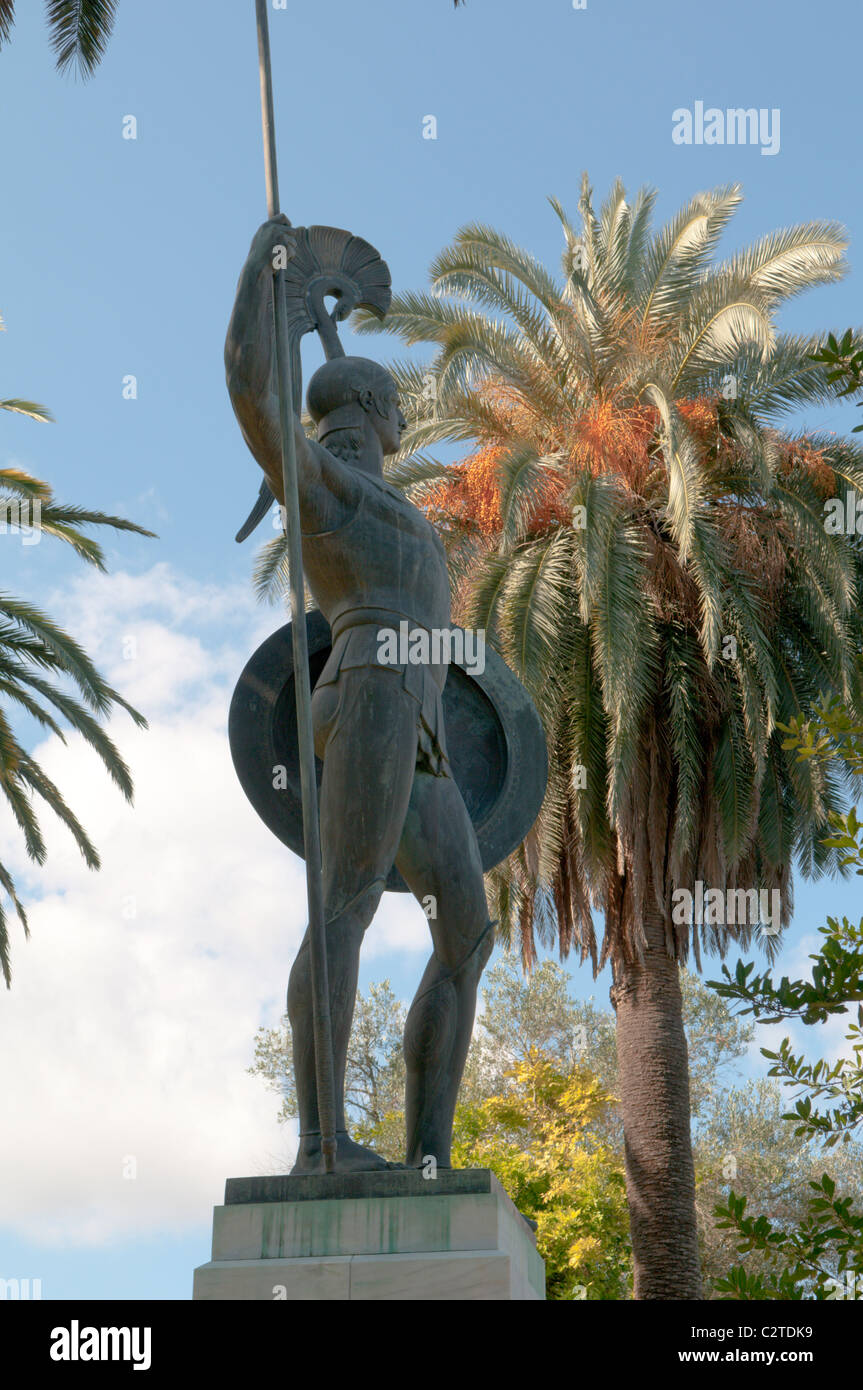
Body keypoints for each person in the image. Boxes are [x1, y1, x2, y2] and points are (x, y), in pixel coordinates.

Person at [225, 216, 493, 1173]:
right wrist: (262, 280)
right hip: (368, 689)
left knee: (466, 934)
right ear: (374, 405)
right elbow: (256, 399)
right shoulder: (330, 487)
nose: (406, 418)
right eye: (398, 403)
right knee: (343, 907)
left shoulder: (384, 501)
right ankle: (321, 1146)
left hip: (416, 727)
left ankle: (425, 1157)